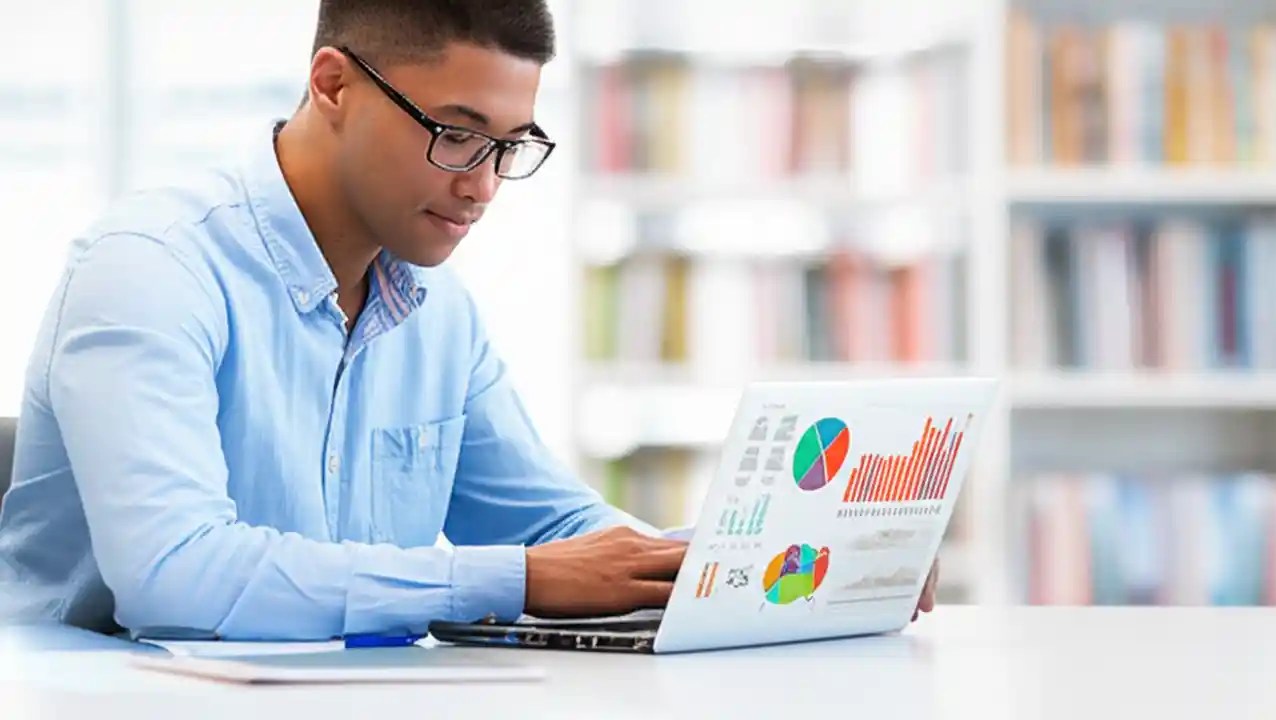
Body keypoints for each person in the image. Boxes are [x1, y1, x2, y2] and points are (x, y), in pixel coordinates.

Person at [0, 0, 938, 639]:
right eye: (455, 133)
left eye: (511, 143)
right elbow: (175, 575)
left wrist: (761, 568)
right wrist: (521, 580)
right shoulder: (152, 269)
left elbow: (559, 528)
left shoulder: (434, 310)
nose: (485, 184)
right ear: (333, 85)